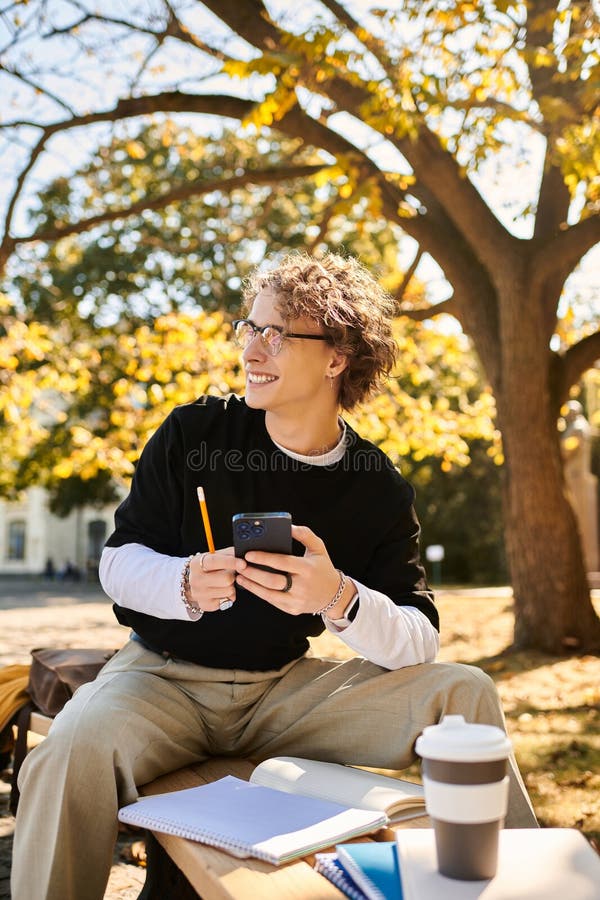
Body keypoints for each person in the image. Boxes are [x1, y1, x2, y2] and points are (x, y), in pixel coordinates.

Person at [11, 251, 537, 900]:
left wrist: (337, 597)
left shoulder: (376, 485)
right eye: (249, 329)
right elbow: (117, 563)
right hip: (159, 684)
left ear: (336, 358)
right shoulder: (194, 432)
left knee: (465, 690)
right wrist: (183, 582)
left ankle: (523, 886)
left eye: (277, 334)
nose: (252, 350)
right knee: (64, 755)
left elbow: (418, 638)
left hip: (285, 697)